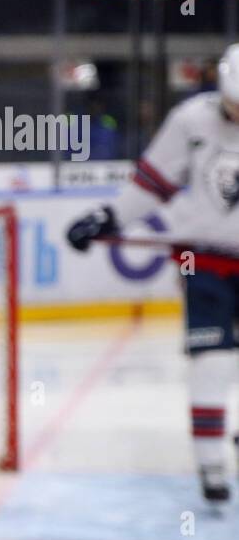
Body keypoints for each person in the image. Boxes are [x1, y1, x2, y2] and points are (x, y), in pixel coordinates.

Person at [67, 43, 239, 504]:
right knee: (212, 360)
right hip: (202, 258)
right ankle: (211, 466)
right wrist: (108, 218)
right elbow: (151, 186)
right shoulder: (191, 120)